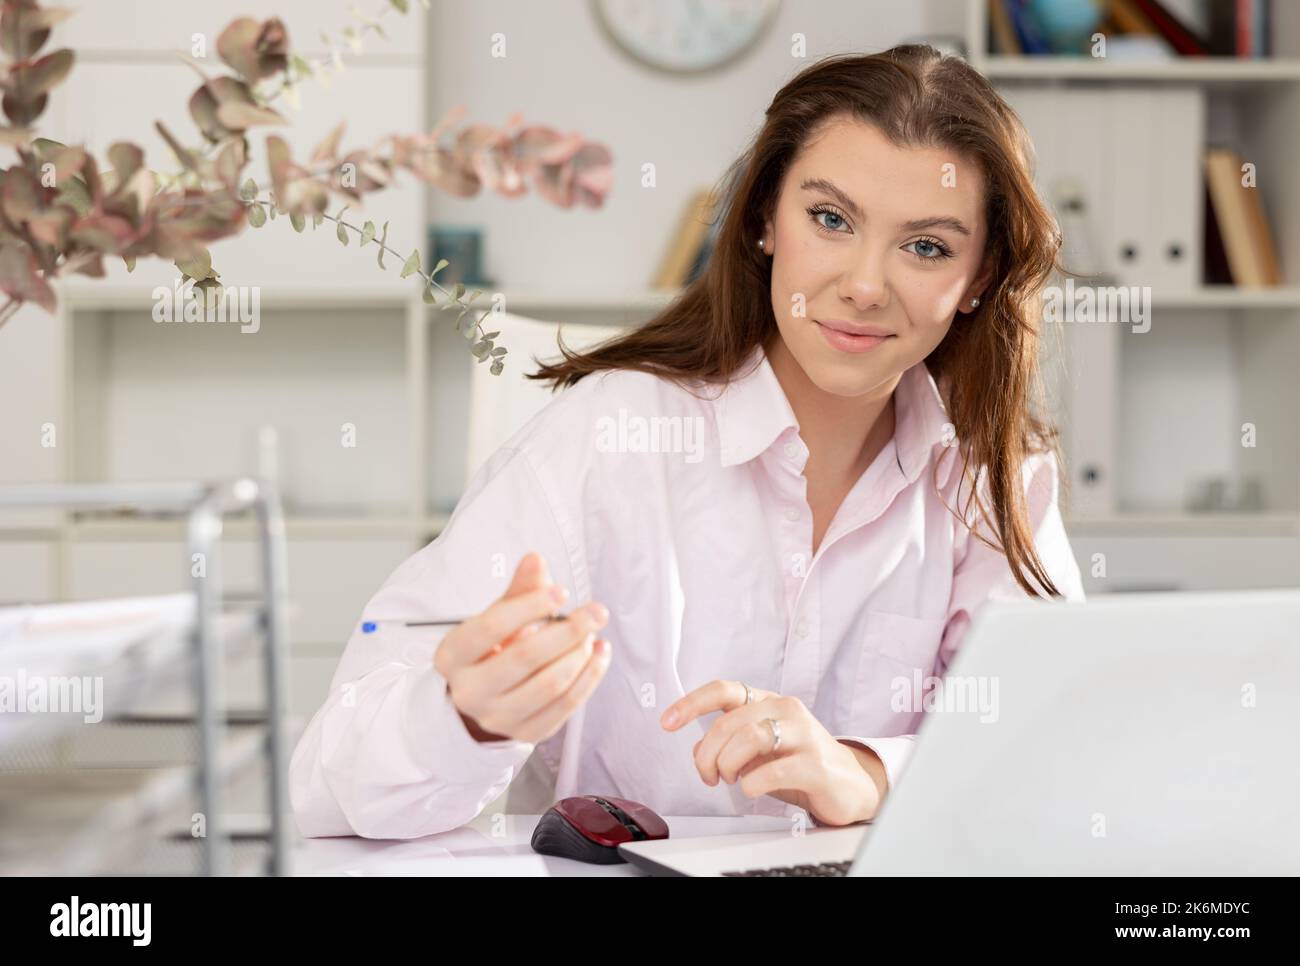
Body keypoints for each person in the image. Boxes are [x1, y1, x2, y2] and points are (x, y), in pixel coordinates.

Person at [290, 44, 1085, 839]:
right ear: (765, 220)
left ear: (980, 278)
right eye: (830, 219)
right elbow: (327, 790)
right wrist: (463, 716)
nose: (865, 284)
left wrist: (868, 773)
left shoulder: (996, 477)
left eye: (927, 247)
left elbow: (1057, 755)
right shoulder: (608, 436)